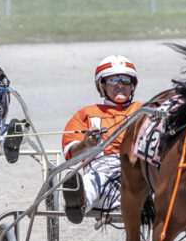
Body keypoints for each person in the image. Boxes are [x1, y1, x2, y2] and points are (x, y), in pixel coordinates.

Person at [61, 55, 143, 223]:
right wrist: (86, 144)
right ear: (101, 85)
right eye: (113, 80)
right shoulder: (86, 114)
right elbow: (70, 154)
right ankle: (79, 201)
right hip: (101, 170)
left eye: (125, 80)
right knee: (92, 181)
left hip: (140, 171)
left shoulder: (146, 110)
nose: (120, 85)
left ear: (132, 85)